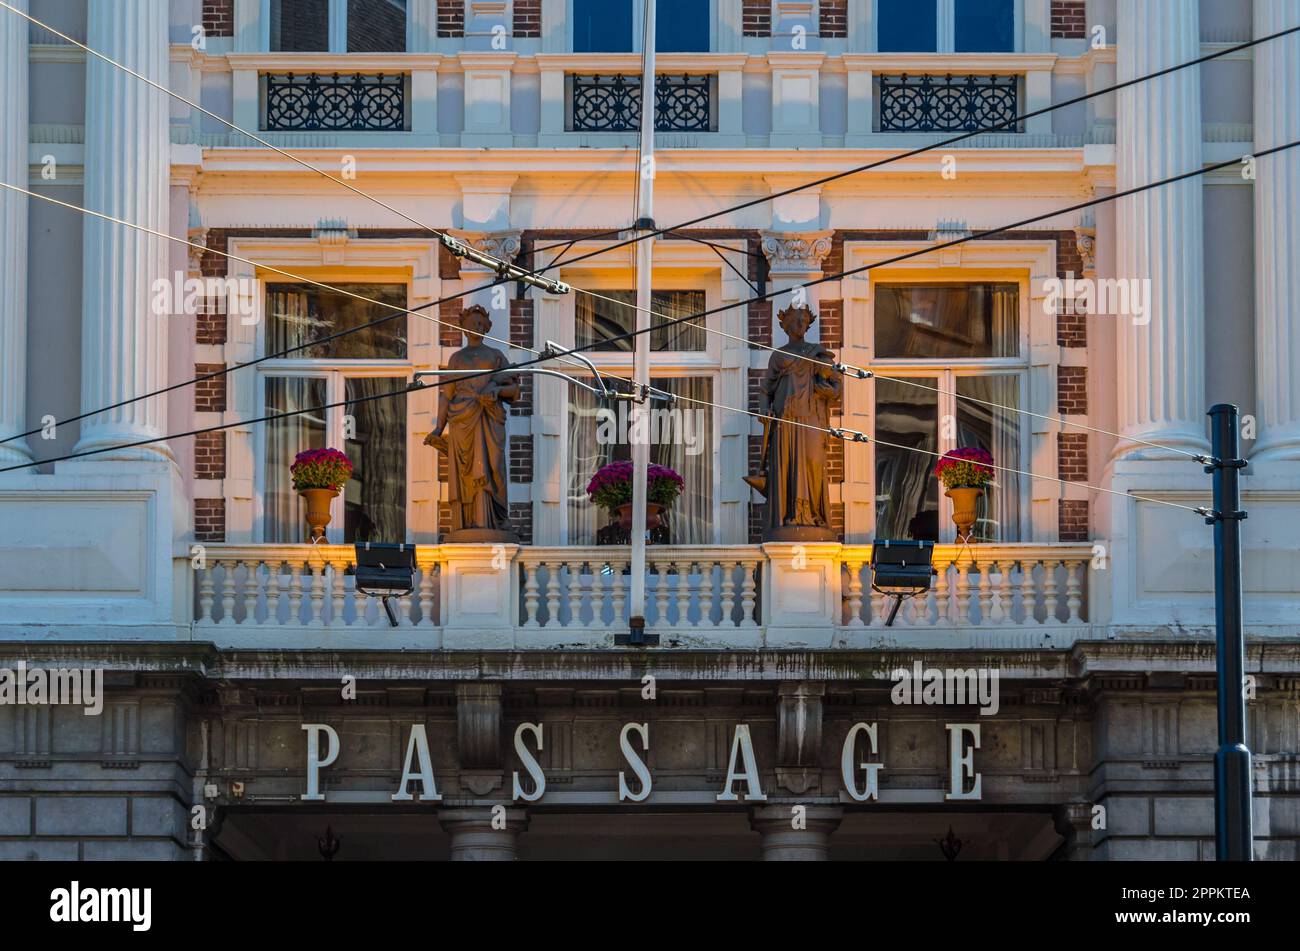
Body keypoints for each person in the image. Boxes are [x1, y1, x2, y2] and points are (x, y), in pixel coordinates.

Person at [424, 305, 520, 541]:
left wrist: (496, 390)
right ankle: (466, 523)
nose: (477, 327)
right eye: (472, 323)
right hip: (461, 421)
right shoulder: (456, 359)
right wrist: (439, 428)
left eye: (481, 323)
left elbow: (515, 389)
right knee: (465, 473)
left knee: (493, 466)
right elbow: (446, 394)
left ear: (487, 328)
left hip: (488, 417)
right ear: (463, 328)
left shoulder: (495, 355)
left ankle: (495, 520)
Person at [754, 305, 842, 541]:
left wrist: (826, 389)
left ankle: (814, 515)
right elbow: (765, 389)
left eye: (804, 320)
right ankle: (789, 516)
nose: (800, 324)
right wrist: (764, 410)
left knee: (814, 463)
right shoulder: (779, 356)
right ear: (785, 325)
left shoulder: (818, 353)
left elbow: (836, 386)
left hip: (812, 420)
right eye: (795, 320)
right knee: (788, 467)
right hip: (786, 422)